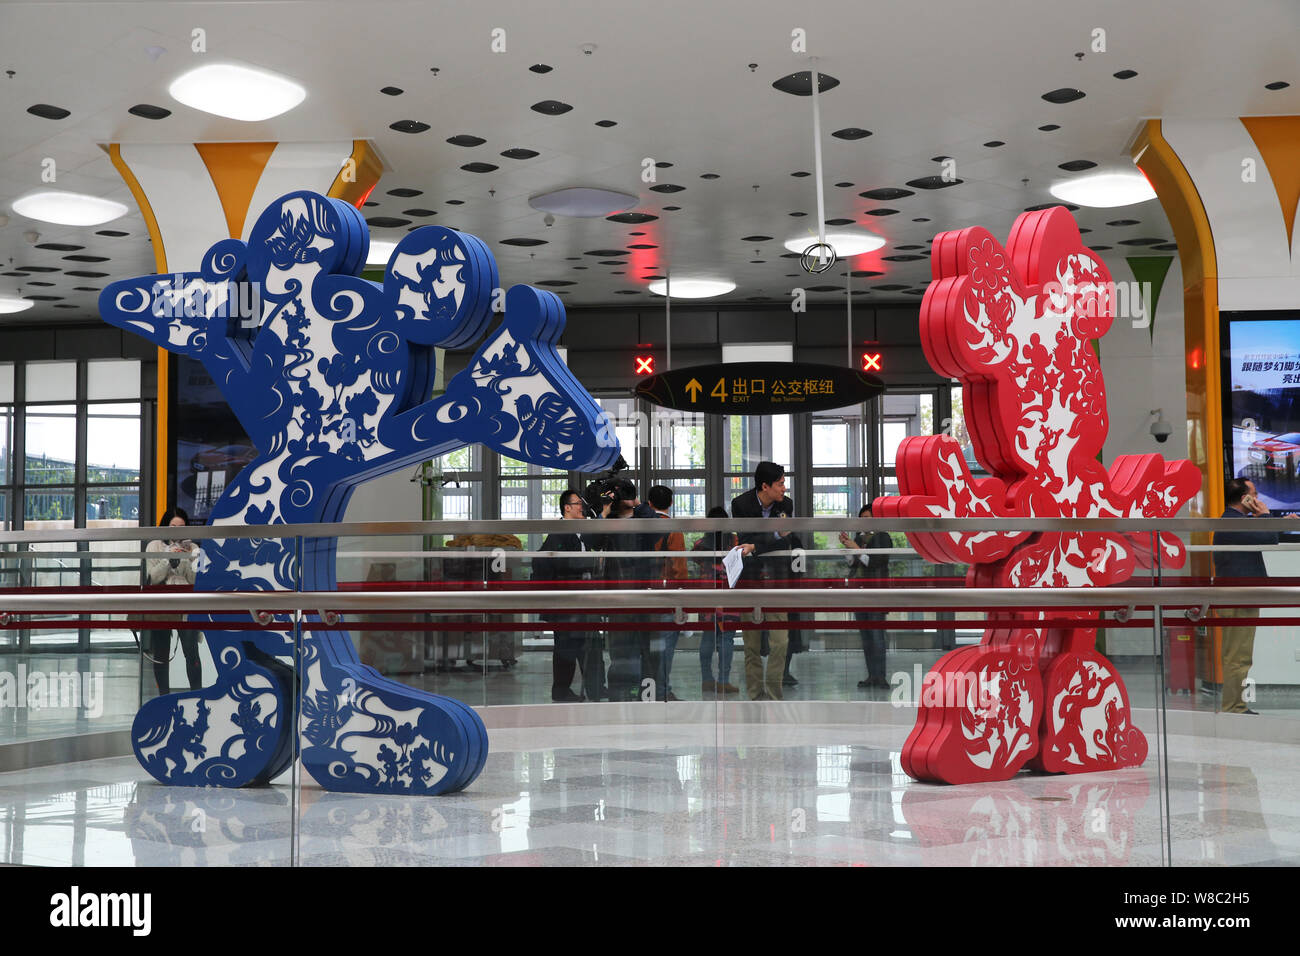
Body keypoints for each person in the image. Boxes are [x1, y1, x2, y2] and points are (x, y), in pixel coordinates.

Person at [1212, 477, 1294, 714]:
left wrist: (1279, 521)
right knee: (1237, 656)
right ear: (1244, 498)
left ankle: (1237, 705)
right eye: (1255, 495)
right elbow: (1267, 538)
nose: (1258, 500)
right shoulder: (1232, 522)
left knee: (1240, 655)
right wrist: (1267, 514)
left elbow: (1262, 534)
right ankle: (1233, 708)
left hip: (1241, 596)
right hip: (1238, 597)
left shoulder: (1236, 521)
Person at [730, 461, 793, 700]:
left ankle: (774, 694)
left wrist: (758, 544)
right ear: (765, 486)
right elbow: (745, 539)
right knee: (751, 645)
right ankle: (755, 695)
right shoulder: (741, 504)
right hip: (751, 581)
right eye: (780, 484)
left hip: (777, 581)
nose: (784, 488)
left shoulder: (786, 505)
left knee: (780, 642)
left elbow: (784, 541)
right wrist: (774, 535)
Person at [534, 490, 603, 702]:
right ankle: (562, 691)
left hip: (582, 601)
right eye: (578, 503)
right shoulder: (559, 534)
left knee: (590, 646)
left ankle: (596, 689)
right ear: (567, 508)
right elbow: (561, 563)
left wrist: (603, 515)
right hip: (566, 604)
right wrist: (593, 563)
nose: (582, 506)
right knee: (567, 648)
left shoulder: (580, 532)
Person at [143, 507, 203, 696]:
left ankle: (196, 695)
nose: (177, 530)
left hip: (187, 604)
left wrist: (185, 558)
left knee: (191, 652)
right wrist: (168, 558)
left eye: (182, 527)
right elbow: (152, 577)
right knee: (161, 654)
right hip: (162, 604)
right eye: (173, 526)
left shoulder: (193, 548)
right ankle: (164, 697)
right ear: (166, 526)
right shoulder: (154, 546)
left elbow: (195, 580)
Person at [840, 503, 895, 689]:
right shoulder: (859, 538)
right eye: (862, 519)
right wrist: (848, 549)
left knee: (877, 636)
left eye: (868, 519)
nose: (864, 523)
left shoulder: (883, 537)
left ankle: (880, 677)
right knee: (866, 637)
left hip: (877, 593)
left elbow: (877, 562)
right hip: (859, 593)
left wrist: (856, 548)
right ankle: (871, 675)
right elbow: (853, 564)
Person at [645, 485, 688, 701]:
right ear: (670, 504)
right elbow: (678, 567)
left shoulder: (643, 526)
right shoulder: (673, 529)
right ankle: (662, 690)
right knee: (665, 648)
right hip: (666, 595)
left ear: (649, 503)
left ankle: (646, 689)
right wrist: (682, 600)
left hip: (643, 594)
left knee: (646, 647)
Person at [692, 506, 739, 694]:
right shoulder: (734, 541)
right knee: (726, 639)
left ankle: (706, 680)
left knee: (707, 639)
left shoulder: (701, 544)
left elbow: (695, 559)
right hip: (728, 595)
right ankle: (723, 681)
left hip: (707, 597)